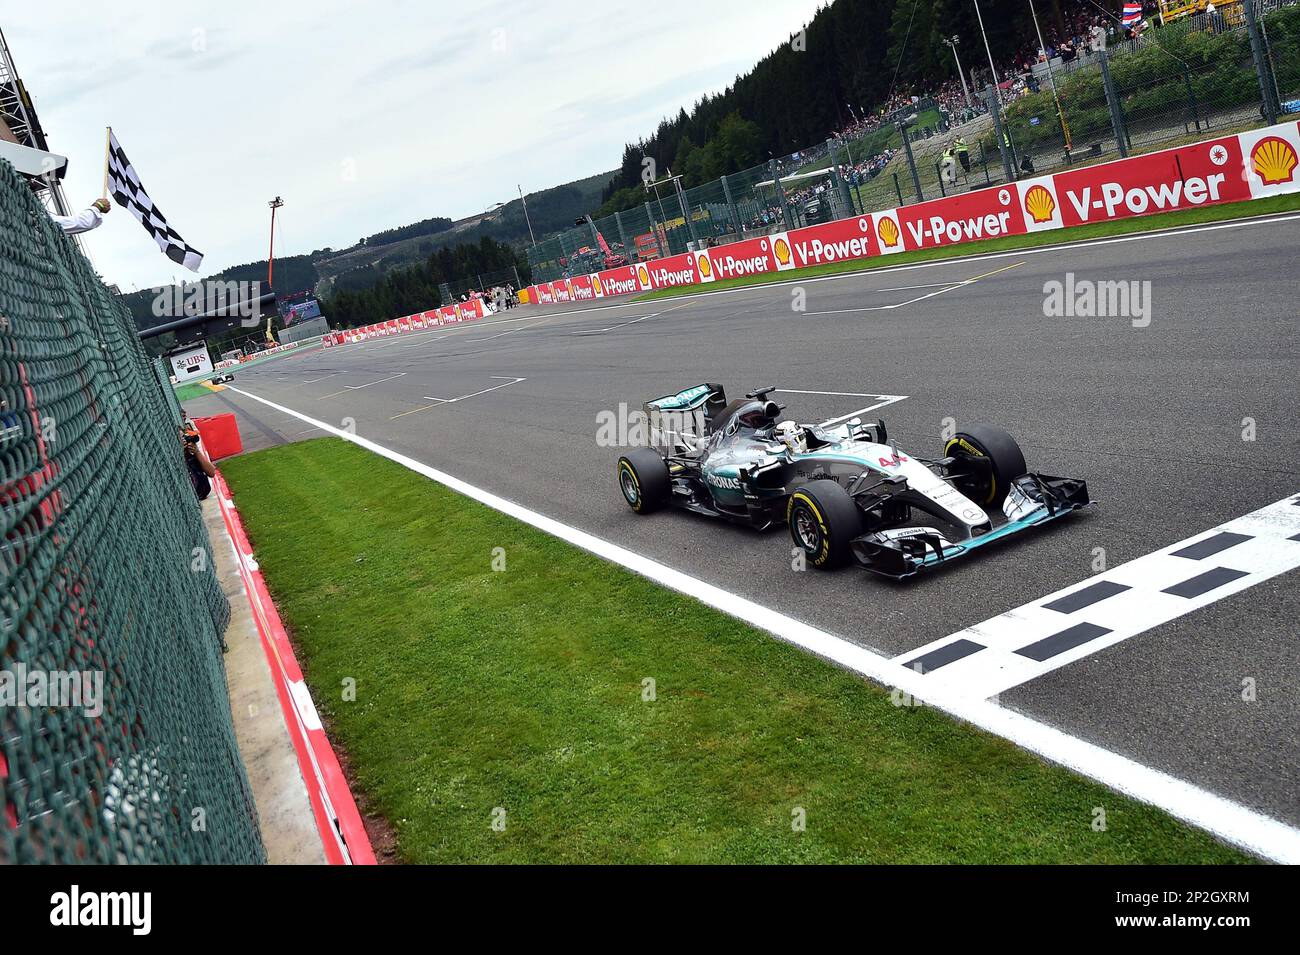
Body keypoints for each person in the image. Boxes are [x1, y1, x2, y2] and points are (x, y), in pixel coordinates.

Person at [180, 423, 216, 500]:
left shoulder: (191, 453)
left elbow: (211, 472)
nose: (184, 440)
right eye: (181, 438)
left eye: (184, 437)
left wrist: (197, 452)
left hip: (203, 492)